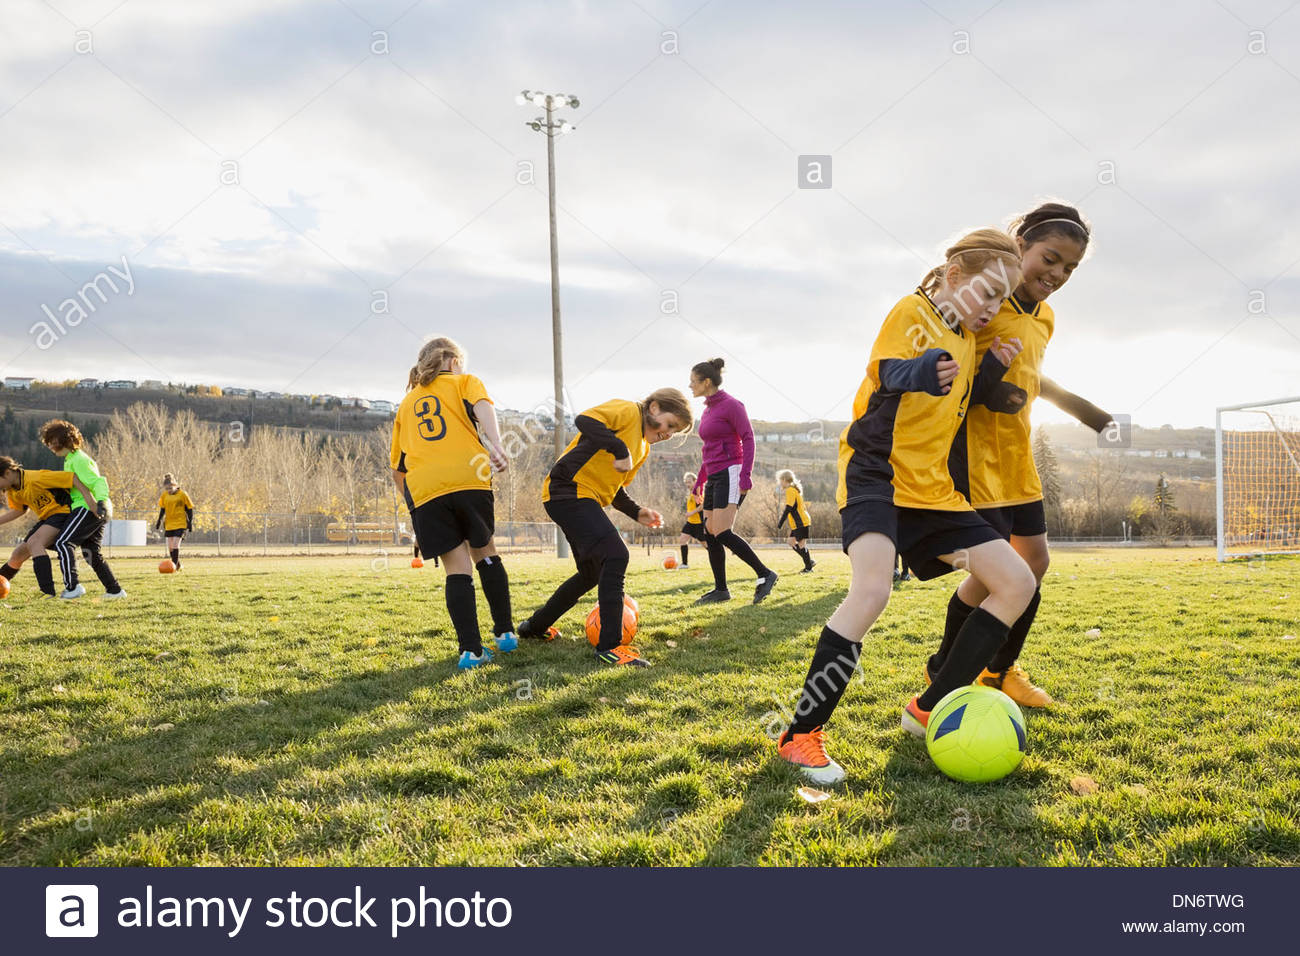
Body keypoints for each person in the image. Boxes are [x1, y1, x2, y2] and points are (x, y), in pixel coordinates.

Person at [777, 228, 1036, 784]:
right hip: (877, 476)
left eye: (1001, 301)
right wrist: (921, 371)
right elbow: (891, 370)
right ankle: (800, 735)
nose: (992, 310)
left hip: (934, 492)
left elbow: (963, 394)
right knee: (872, 590)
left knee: (1016, 581)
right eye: (987, 294)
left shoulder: (969, 337)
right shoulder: (913, 311)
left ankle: (930, 705)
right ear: (953, 276)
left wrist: (993, 369)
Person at [936, 202, 1092, 708]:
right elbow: (948, 367)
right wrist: (984, 391)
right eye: (1050, 258)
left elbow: (1028, 375)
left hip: (1017, 457)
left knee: (1036, 563)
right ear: (1021, 243)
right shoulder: (983, 300)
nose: (1058, 274)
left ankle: (999, 671)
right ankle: (945, 667)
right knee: (996, 576)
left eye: (1069, 268)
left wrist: (1080, 407)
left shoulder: (1046, 317)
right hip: (974, 457)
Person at [517, 389, 693, 667]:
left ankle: (534, 627)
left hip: (579, 498)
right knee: (616, 555)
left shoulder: (643, 448)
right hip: (567, 489)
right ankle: (609, 647)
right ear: (655, 407)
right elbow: (585, 420)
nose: (668, 434)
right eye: (669, 425)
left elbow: (615, 490)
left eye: (675, 432)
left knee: (591, 573)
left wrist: (637, 511)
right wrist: (620, 449)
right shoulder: (628, 411)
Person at [391, 337, 515, 669]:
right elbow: (483, 407)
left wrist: (414, 508)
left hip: (426, 489)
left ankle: (471, 652)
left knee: (456, 568)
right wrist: (495, 444)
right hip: (468, 477)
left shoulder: (405, 406)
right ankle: (505, 634)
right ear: (453, 361)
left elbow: (397, 468)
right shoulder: (465, 382)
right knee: (486, 553)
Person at [688, 358, 777, 605]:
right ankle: (721, 590)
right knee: (710, 531)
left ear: (707, 382)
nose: (690, 386)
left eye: (693, 381)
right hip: (714, 474)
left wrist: (746, 474)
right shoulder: (707, 411)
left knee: (722, 531)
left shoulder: (732, 405)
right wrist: (699, 480)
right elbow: (709, 449)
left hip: (732, 471)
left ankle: (765, 573)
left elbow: (748, 438)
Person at [38, 419, 125, 599]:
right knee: (92, 552)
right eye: (48, 442)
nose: (50, 446)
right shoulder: (70, 460)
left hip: (88, 508)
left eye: (52, 441)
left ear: (63, 440)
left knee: (63, 543)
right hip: (86, 507)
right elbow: (78, 485)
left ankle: (73, 587)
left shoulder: (79, 459)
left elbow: (98, 481)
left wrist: (100, 502)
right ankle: (115, 591)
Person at [0, 455, 98, 597]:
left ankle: (47, 592)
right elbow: (20, 510)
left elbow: (72, 477)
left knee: (35, 543)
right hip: (47, 519)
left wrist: (90, 500)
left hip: (63, 513)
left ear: (8, 472)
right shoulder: (12, 491)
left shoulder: (37, 478)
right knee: (17, 556)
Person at [776, 469, 815, 573]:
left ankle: (808, 568)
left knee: (801, 544)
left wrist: (781, 522)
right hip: (798, 522)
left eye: (780, 480)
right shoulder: (792, 490)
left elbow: (788, 508)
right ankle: (809, 561)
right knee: (791, 542)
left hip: (801, 522)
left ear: (784, 480)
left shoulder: (790, 490)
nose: (780, 483)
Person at [155, 475, 194, 571]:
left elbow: (189, 508)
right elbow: (162, 508)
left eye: (170, 488)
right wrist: (159, 520)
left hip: (181, 523)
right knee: (170, 547)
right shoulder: (164, 495)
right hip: (169, 523)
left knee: (176, 545)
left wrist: (190, 522)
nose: (168, 490)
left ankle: (174, 568)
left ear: (176, 485)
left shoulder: (183, 494)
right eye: (166, 488)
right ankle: (178, 565)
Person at [676, 471, 704, 569]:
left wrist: (691, 513)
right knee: (682, 540)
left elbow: (702, 506)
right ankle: (685, 564)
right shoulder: (690, 493)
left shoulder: (698, 491)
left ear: (695, 481)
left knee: (706, 545)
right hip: (690, 523)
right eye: (686, 482)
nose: (687, 484)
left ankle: (717, 559)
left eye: (689, 482)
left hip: (699, 524)